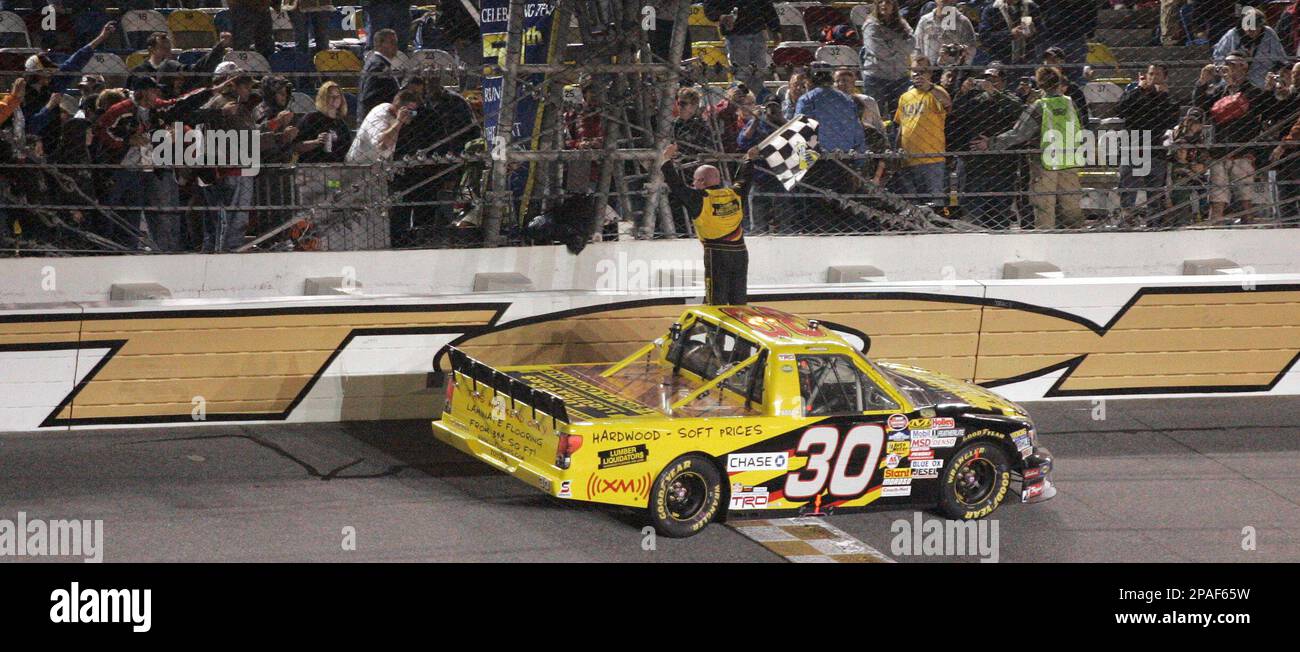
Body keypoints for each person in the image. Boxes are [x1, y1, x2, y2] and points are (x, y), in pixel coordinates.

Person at [973, 66, 1084, 229]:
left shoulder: (1039, 106)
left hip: (1044, 161)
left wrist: (990, 143)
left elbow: (1018, 134)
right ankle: (1076, 239)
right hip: (1069, 160)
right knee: (1071, 207)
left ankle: (1046, 242)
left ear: (1040, 84)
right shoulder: (1070, 103)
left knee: (1044, 207)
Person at [661, 141, 758, 305]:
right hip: (740, 253)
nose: (693, 184)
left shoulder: (699, 198)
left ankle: (715, 331)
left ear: (701, 181)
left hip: (716, 253)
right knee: (739, 301)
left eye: (695, 181)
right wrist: (749, 160)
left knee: (716, 301)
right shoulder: (735, 193)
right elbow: (745, 179)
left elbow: (677, 186)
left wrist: (666, 160)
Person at [1193, 50, 1275, 224]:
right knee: (1217, 202)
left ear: (1243, 68)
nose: (1228, 69)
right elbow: (1200, 105)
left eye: (1233, 66)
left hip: (1243, 152)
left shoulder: (1252, 91)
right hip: (1219, 152)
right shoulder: (1218, 91)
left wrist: (1234, 88)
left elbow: (1259, 108)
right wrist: (1202, 81)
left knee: (1246, 203)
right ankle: (1215, 237)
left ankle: (1248, 237)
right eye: (1226, 65)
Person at [949, 65, 1023, 228]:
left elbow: (1018, 111)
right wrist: (962, 92)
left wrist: (994, 93)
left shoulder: (1010, 98)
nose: (988, 82)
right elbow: (955, 113)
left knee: (1000, 217)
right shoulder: (976, 98)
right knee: (971, 215)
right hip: (975, 166)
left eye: (993, 79)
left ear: (1003, 81)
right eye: (986, 79)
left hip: (1002, 166)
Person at [1113, 64, 1180, 220]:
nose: (1153, 77)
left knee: (1155, 189)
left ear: (1165, 77)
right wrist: (1139, 90)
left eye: (1157, 74)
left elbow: (1170, 120)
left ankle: (1154, 219)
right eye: (1150, 74)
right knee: (1128, 186)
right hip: (1134, 144)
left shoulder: (1167, 97)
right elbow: (1120, 110)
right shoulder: (1134, 92)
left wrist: (1163, 96)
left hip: (1156, 146)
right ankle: (1126, 217)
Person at [893, 54, 951, 206]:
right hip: (908, 157)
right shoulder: (905, 96)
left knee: (935, 200)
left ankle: (939, 228)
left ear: (930, 73)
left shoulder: (936, 91)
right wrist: (897, 149)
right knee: (913, 203)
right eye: (914, 71)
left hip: (932, 157)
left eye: (923, 71)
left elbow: (947, 103)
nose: (918, 74)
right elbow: (900, 125)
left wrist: (930, 87)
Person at [703, 0, 780, 101]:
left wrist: (775, 28)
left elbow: (766, 5)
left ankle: (758, 103)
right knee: (741, 75)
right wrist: (722, 17)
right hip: (736, 34)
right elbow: (709, 8)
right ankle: (747, 104)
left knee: (758, 73)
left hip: (758, 31)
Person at [861, 0, 914, 118]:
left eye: (888, 2)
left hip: (900, 77)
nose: (884, 5)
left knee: (901, 117)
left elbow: (911, 43)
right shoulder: (871, 25)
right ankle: (875, 137)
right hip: (876, 77)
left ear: (894, 5)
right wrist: (899, 49)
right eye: (881, 2)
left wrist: (890, 45)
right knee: (874, 117)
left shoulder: (902, 23)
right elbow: (877, 50)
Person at [1212, 7, 1287, 90]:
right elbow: (1218, 55)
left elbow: (1281, 59)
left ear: (1261, 26)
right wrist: (1226, 69)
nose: (1251, 30)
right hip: (1234, 80)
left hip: (1261, 82)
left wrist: (1276, 74)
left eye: (1255, 27)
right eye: (1248, 27)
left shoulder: (1269, 33)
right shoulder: (1233, 34)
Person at [978, 0, 1038, 66]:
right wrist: (1009, 34)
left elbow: (1045, 34)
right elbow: (984, 37)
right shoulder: (991, 9)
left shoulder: (1030, 6)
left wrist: (1034, 31)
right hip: (1000, 60)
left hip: (1028, 59)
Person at [360, 29, 402, 117]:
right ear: (379, 45)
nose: (395, 46)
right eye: (391, 42)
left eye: (396, 42)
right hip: (377, 120)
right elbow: (370, 98)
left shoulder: (378, 62)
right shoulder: (378, 65)